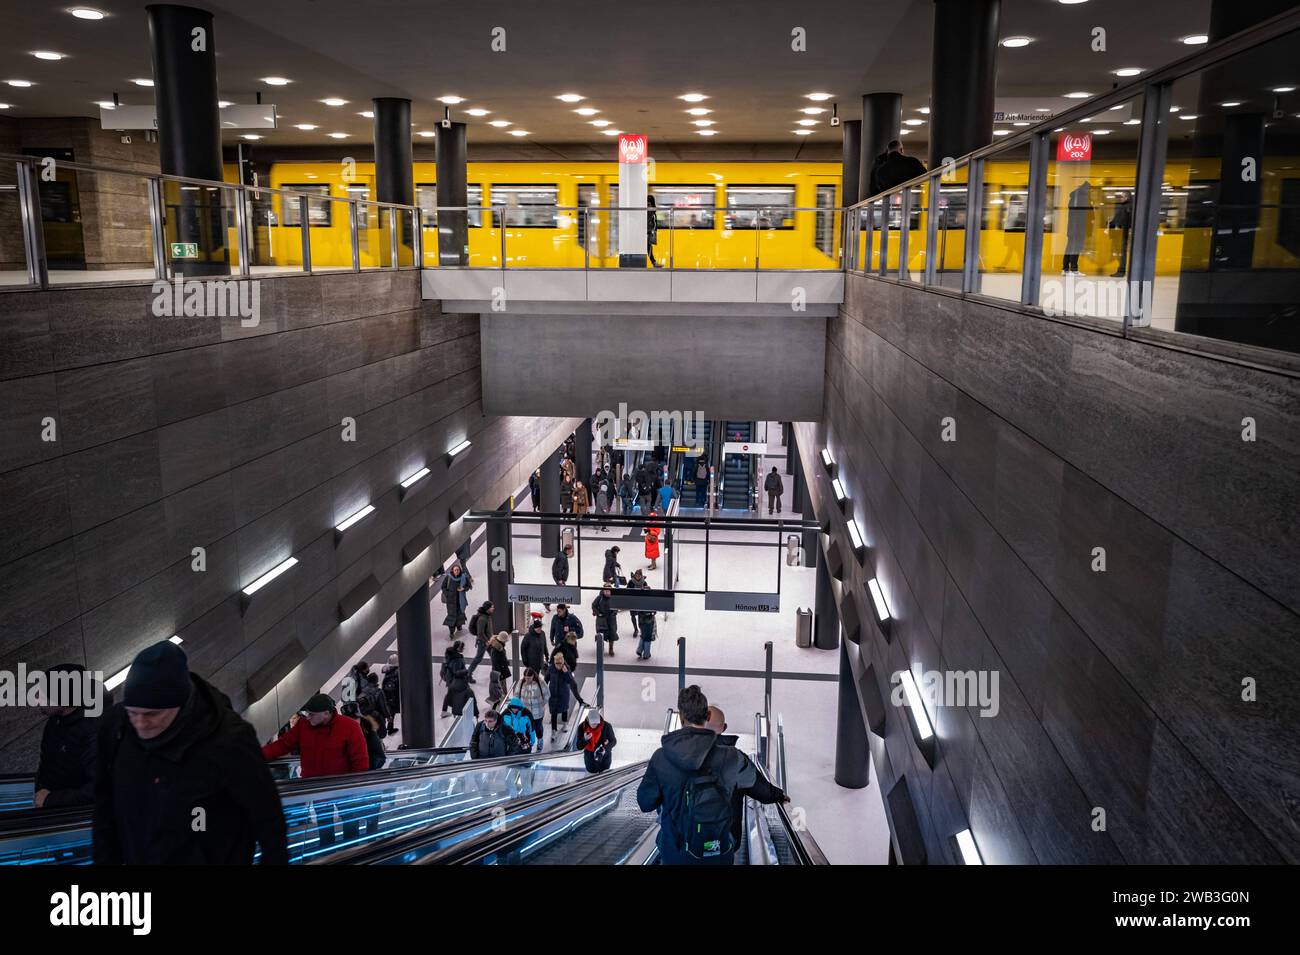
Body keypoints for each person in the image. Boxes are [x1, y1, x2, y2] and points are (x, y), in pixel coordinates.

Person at [93, 640, 288, 865]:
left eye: (151, 715)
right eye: (133, 712)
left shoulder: (229, 740)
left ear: (180, 704)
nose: (140, 723)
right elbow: (104, 808)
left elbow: (267, 816)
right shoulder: (116, 728)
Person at [635, 684, 766, 866]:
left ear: (681, 716)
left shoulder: (661, 757)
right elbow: (758, 786)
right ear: (707, 715)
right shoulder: (731, 756)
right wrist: (779, 796)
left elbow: (645, 803)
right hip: (718, 851)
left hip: (676, 853)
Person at [262, 692, 368, 850]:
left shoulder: (349, 727)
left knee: (350, 823)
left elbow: (361, 762)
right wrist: (256, 755)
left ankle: (351, 853)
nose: (307, 717)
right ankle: (328, 854)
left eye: (311, 714)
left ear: (327, 713)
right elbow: (283, 745)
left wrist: (355, 789)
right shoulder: (303, 726)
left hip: (344, 790)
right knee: (324, 825)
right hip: (316, 788)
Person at [705, 705, 789, 851]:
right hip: (720, 844)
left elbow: (651, 799)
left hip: (676, 845)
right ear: (724, 728)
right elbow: (762, 790)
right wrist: (779, 795)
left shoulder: (673, 754)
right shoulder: (735, 758)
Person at [34, 663, 108, 809]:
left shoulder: (95, 730)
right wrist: (40, 791)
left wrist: (50, 800)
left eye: (44, 695)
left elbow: (99, 788)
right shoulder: (55, 720)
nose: (37, 700)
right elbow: (45, 762)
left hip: (75, 813)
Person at [546, 653, 587, 735]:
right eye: (556, 663)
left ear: (563, 662)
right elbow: (546, 679)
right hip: (553, 693)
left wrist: (566, 672)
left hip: (563, 693)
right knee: (553, 712)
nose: (558, 665)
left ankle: (565, 724)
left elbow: (570, 681)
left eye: (560, 663)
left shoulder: (566, 668)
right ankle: (554, 730)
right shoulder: (551, 668)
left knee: (564, 709)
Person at [575, 709, 617, 774]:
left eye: (597, 723)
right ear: (588, 720)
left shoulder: (606, 726)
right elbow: (579, 746)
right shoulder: (582, 727)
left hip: (604, 758)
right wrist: (585, 739)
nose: (595, 725)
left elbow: (613, 741)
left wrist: (605, 748)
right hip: (590, 760)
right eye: (593, 723)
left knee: (604, 776)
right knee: (592, 776)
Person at [1064, 180, 1092, 273]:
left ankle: (1065, 268)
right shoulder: (1082, 197)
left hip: (1072, 228)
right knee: (1076, 248)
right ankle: (1074, 269)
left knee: (1069, 247)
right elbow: (1087, 214)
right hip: (1078, 228)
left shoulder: (1074, 197)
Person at [439, 641, 473, 717]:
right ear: (458, 648)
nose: (463, 649)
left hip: (449, 677)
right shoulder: (457, 659)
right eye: (462, 647)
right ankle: (461, 711)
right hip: (455, 680)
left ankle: (444, 711)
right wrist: (466, 671)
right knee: (467, 692)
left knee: (450, 694)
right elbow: (456, 672)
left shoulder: (449, 654)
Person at [441, 562, 473, 637]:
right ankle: (451, 632)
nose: (456, 571)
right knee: (451, 615)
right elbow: (443, 587)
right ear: (452, 571)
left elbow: (469, 586)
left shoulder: (464, 577)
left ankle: (459, 625)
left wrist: (463, 589)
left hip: (460, 600)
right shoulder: (448, 577)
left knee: (460, 613)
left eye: (458, 570)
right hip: (451, 601)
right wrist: (447, 594)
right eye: (455, 570)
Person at [518, 669, 547, 751]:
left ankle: (540, 741)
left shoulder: (540, 683)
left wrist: (542, 704)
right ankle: (528, 743)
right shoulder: (521, 683)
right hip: (525, 712)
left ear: (533, 676)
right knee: (526, 728)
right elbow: (517, 695)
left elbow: (547, 695)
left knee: (538, 727)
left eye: (529, 678)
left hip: (537, 712)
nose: (527, 679)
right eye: (526, 677)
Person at [467, 600, 495, 680]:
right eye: (492, 607)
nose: (493, 608)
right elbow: (480, 633)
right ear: (487, 609)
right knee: (478, 658)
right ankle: (468, 674)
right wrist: (487, 641)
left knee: (493, 657)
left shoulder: (487, 616)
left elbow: (488, 630)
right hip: (483, 642)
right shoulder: (482, 619)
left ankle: (495, 673)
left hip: (489, 641)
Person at [358, 671, 391, 737]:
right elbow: (383, 705)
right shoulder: (378, 691)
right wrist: (388, 716)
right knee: (380, 734)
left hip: (364, 715)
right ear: (376, 680)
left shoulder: (363, 690)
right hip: (376, 715)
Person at [1107, 193, 1132, 277]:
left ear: (1127, 197)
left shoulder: (1128, 207)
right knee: (1118, 252)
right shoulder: (1122, 206)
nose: (1121, 198)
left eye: (1123, 196)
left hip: (1123, 232)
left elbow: (1123, 220)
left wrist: (1114, 224)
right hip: (1118, 232)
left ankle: (1121, 270)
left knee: (1122, 252)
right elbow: (1116, 219)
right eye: (1120, 196)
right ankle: (1121, 269)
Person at [592, 582, 619, 656]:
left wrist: (614, 612)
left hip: (611, 620)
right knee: (600, 634)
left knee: (612, 634)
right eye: (605, 590)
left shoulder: (614, 598)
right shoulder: (599, 598)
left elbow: (617, 606)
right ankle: (600, 647)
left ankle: (611, 649)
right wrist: (598, 613)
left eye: (608, 590)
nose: (607, 592)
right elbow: (594, 605)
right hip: (601, 620)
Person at [486, 632, 512, 709]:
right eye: (505, 641)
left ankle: (505, 698)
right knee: (500, 686)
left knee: (502, 685)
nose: (506, 642)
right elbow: (495, 662)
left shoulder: (498, 645)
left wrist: (505, 661)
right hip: (499, 670)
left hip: (501, 668)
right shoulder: (496, 649)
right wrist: (499, 673)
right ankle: (502, 699)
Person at [380, 654, 400, 736]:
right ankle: (389, 727)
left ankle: (389, 727)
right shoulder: (397, 672)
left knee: (390, 711)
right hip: (394, 695)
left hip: (387, 694)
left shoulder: (387, 669)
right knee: (392, 712)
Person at [551, 543, 573, 608]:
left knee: (562, 590)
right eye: (571, 550)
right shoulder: (562, 557)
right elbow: (559, 569)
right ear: (568, 550)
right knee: (562, 591)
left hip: (559, 576)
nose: (571, 552)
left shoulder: (562, 554)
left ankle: (562, 604)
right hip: (558, 577)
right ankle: (547, 603)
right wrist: (560, 579)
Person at [647, 194, 659, 267]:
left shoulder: (647, 208)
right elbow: (654, 221)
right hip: (648, 231)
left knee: (649, 247)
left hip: (646, 231)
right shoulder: (651, 209)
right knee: (649, 247)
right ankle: (654, 263)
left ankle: (654, 262)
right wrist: (654, 230)